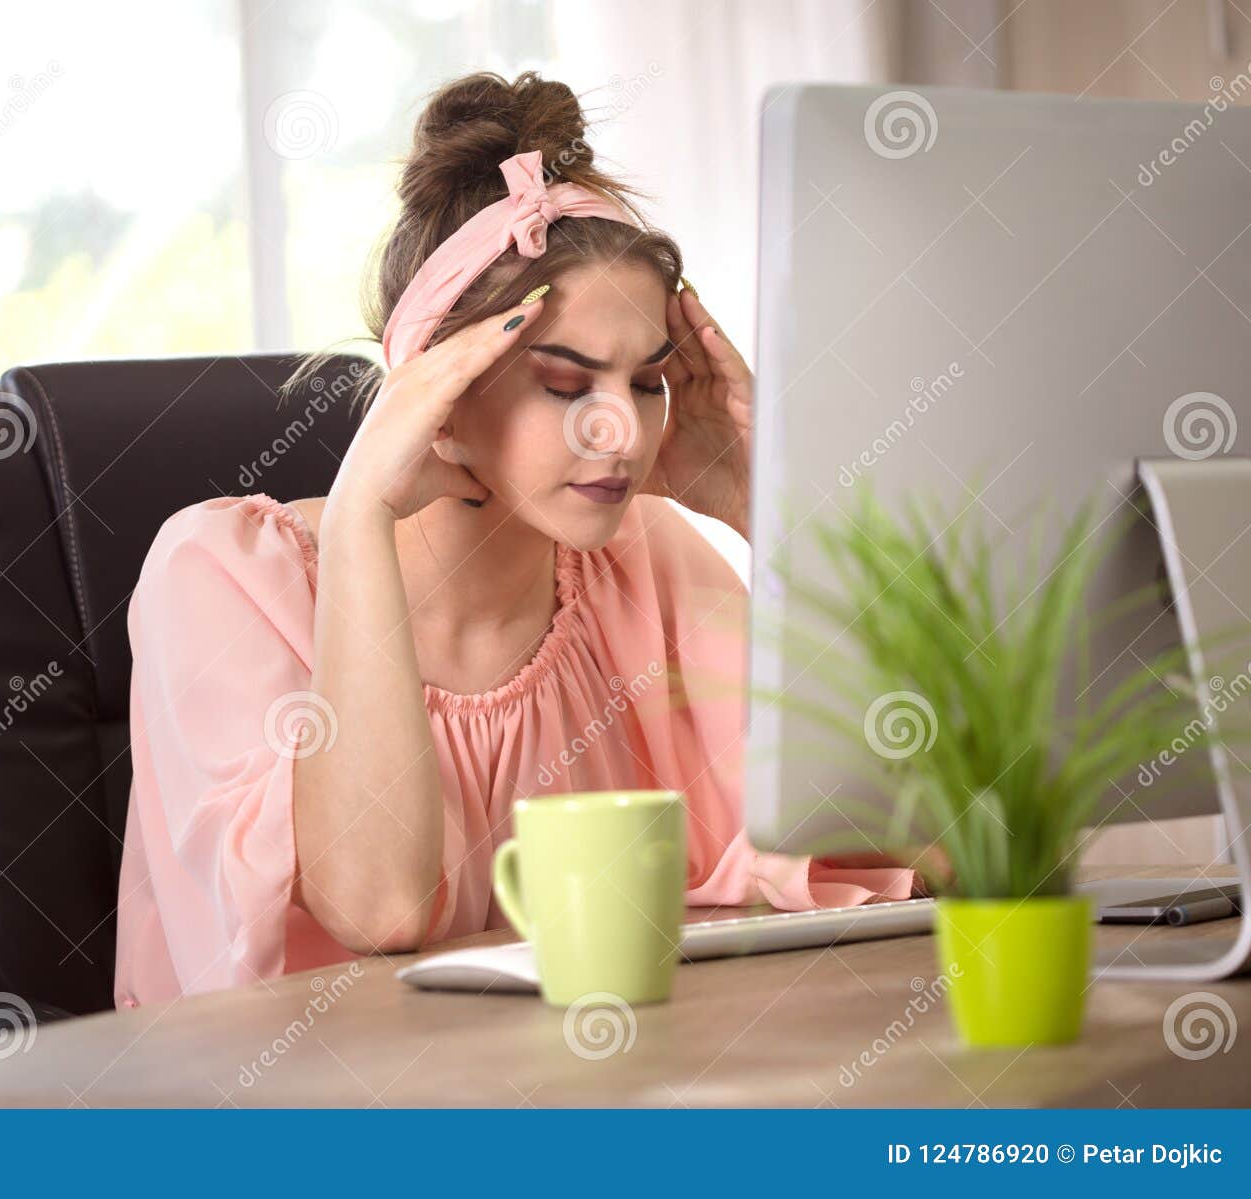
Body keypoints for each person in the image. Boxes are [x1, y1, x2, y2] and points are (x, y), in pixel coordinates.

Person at [113, 70, 937, 1006]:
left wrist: (772, 511)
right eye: (564, 383)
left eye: (648, 382)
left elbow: (933, 839)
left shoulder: (643, 558)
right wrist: (359, 518)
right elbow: (379, 909)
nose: (621, 431)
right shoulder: (219, 574)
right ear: (438, 390)